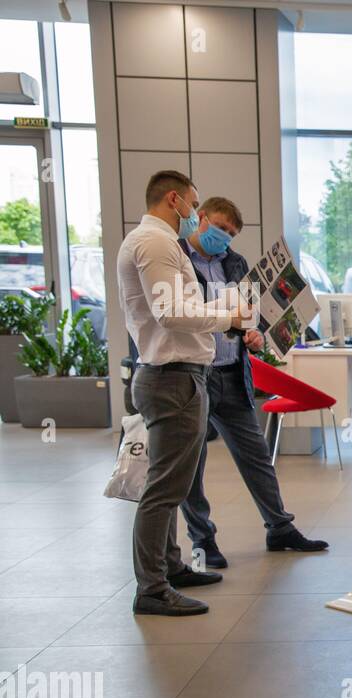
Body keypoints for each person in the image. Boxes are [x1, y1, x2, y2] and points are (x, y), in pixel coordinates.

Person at [117, 171, 252, 616]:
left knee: (171, 487)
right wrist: (228, 320)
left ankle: (170, 567)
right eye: (193, 204)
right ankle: (152, 588)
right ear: (174, 199)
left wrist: (228, 308)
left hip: (179, 375)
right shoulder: (154, 243)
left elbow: (184, 308)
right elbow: (171, 314)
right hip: (171, 377)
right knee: (163, 490)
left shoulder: (160, 243)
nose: (195, 214)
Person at [179, 197, 327, 567]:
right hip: (194, 376)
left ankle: (279, 527)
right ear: (201, 218)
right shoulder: (177, 261)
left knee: (257, 457)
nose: (224, 237)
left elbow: (249, 316)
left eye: (230, 233)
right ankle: (203, 540)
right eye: (220, 228)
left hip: (231, 373)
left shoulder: (235, 263)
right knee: (192, 465)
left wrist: (256, 333)